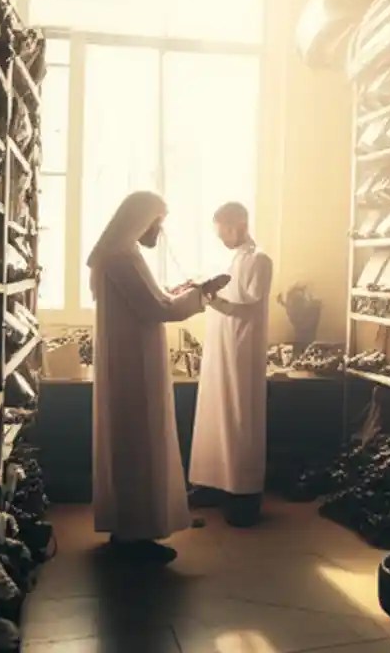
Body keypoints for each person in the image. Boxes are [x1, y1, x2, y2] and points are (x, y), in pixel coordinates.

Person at [87, 191, 229, 563]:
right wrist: (203, 292)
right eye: (157, 222)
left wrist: (182, 292)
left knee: (133, 442)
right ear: (140, 220)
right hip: (133, 364)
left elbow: (152, 299)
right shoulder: (122, 257)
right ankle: (136, 534)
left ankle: (134, 527)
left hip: (131, 359)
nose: (159, 231)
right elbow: (155, 308)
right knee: (139, 442)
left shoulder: (119, 254)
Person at [188, 202, 273, 527]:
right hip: (219, 346)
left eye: (223, 230)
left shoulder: (259, 260)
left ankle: (242, 494)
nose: (220, 236)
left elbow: (246, 307)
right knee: (214, 411)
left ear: (237, 225)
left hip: (242, 349)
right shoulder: (229, 258)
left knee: (239, 416)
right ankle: (212, 484)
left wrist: (211, 299)